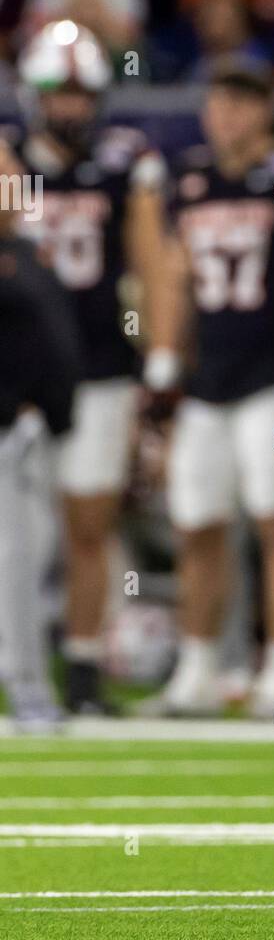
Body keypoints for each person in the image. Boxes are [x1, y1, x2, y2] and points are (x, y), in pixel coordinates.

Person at [144, 62, 274, 718]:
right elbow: (172, 280)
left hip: (273, 376)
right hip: (207, 382)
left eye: (242, 102)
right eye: (219, 101)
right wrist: (164, 363)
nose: (227, 114)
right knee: (198, 525)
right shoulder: (188, 183)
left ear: (267, 110)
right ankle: (199, 668)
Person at [12, 19, 166, 713]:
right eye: (58, 92)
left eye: (81, 93)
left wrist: (158, 356)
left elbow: (151, 260)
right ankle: (23, 668)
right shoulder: (11, 161)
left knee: (87, 525)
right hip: (20, 373)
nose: (71, 107)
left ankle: (78, 669)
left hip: (101, 365)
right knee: (21, 530)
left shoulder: (122, 160)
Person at [0, 163, 82, 727]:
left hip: (28, 435)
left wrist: (50, 410)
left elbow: (52, 340)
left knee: (32, 557)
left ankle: (29, 682)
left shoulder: (28, 253)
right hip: (8, 429)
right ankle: (25, 685)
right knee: (15, 562)